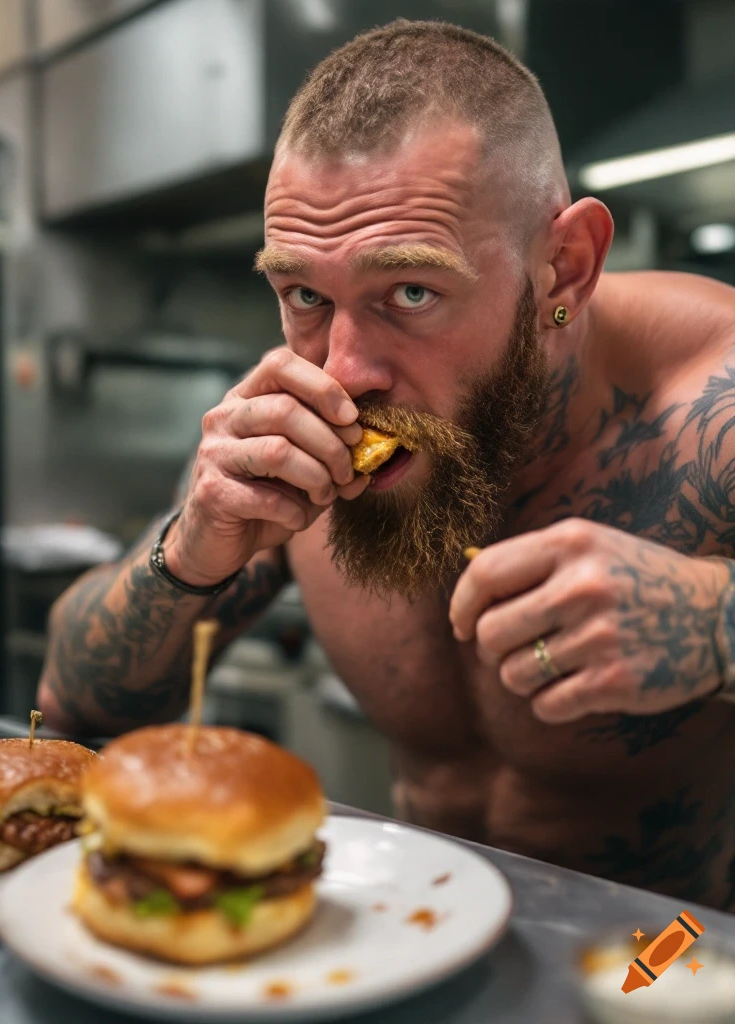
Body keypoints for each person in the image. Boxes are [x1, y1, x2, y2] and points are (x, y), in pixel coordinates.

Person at [37, 20, 735, 910]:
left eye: (411, 291)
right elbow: (71, 704)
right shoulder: (288, 423)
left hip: (665, 969)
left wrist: (719, 626)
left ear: (564, 267)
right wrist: (190, 554)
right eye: (303, 295)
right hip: (413, 952)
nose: (344, 371)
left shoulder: (713, 407)